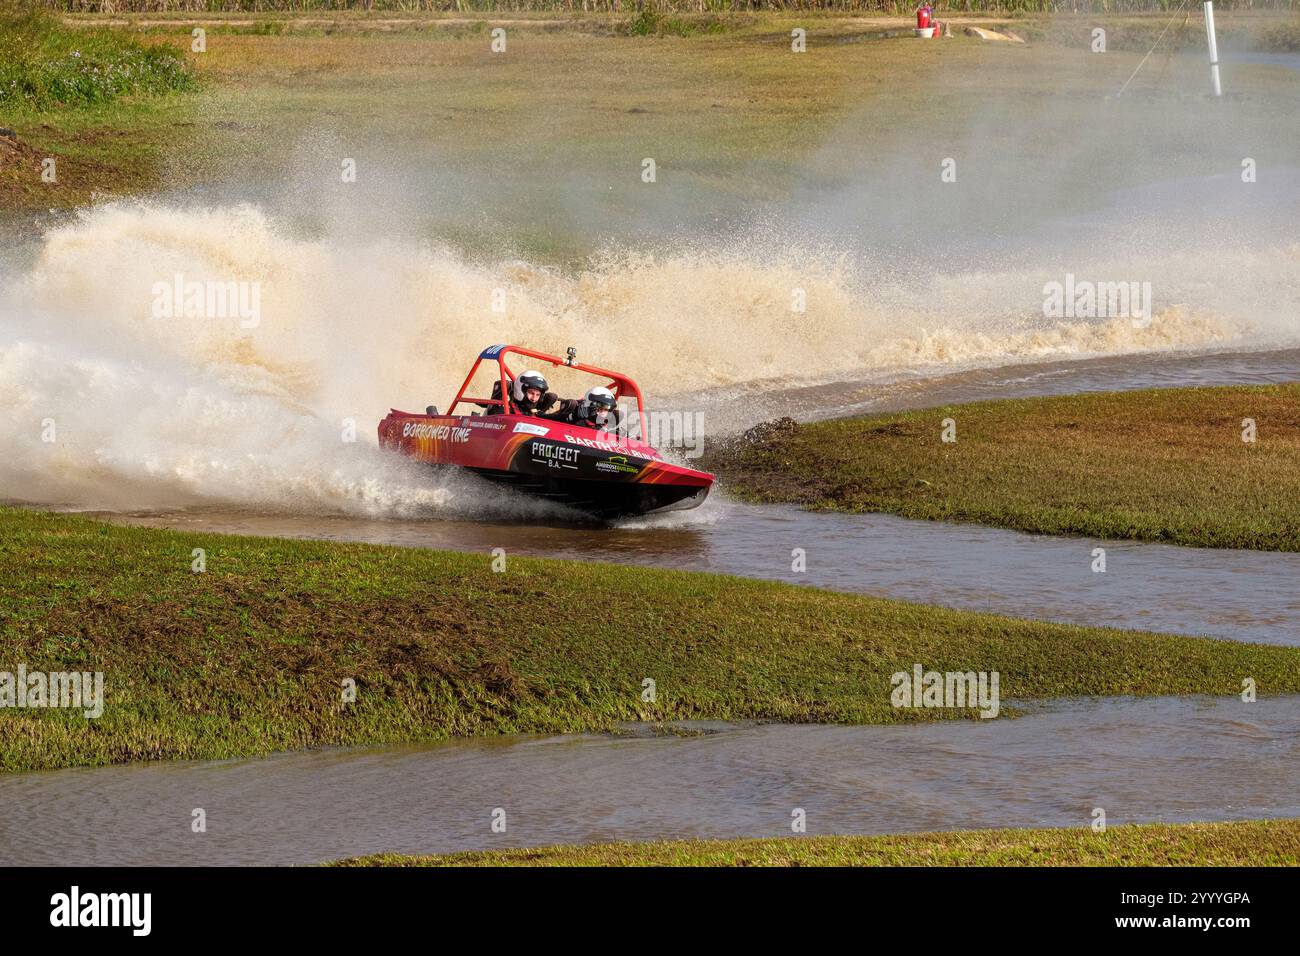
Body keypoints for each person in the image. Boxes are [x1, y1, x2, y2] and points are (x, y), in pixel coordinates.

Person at [484, 370, 556, 416]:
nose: (534, 398)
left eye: (538, 395)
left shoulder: (538, 410)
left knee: (552, 397)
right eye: (531, 393)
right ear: (521, 390)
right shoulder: (505, 408)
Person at [545, 386, 619, 431]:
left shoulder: (609, 426)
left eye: (606, 410)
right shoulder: (574, 415)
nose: (602, 413)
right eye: (599, 408)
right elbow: (549, 419)